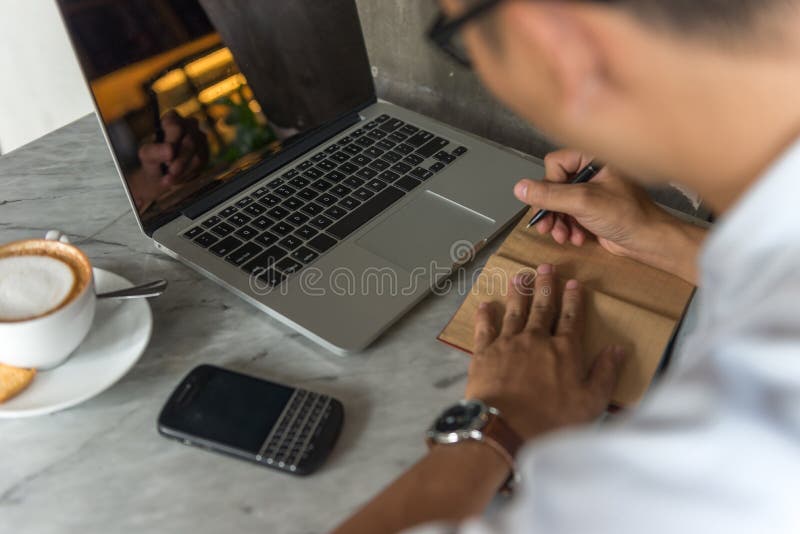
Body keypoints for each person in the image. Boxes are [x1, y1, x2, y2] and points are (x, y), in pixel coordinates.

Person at [333, 0, 800, 532]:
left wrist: (498, 424)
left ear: (561, 45)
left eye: (458, 38)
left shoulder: (742, 440)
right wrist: (662, 237)